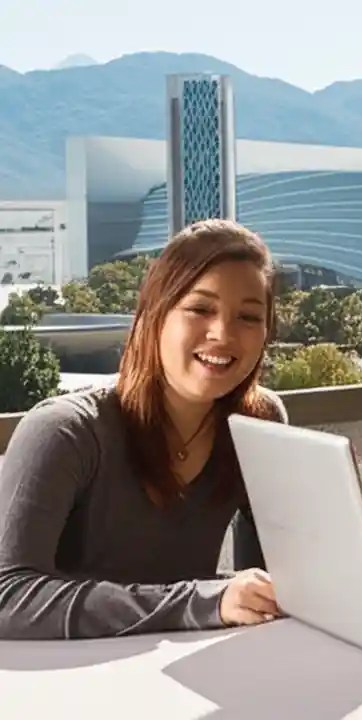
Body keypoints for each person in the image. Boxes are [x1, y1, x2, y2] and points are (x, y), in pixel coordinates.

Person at [0, 219, 289, 640]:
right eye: (200, 309)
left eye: (248, 316)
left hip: (188, 668)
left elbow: (272, 584)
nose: (223, 333)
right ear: (155, 314)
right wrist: (201, 602)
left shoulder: (259, 422)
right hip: (67, 673)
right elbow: (8, 596)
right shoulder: (65, 432)